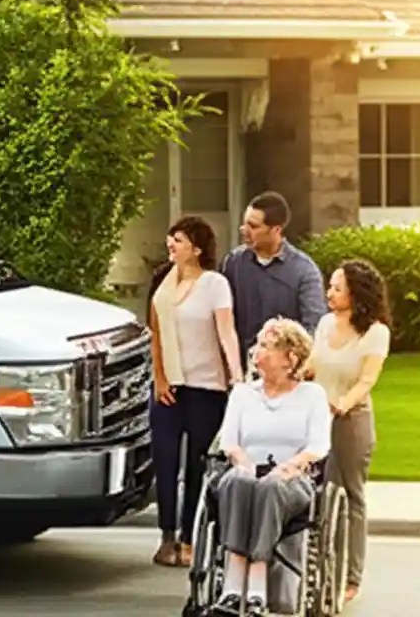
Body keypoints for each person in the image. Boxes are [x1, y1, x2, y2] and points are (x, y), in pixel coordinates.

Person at [212, 317, 331, 617]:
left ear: (289, 358)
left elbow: (318, 446)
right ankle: (233, 586)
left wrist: (289, 466)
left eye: (265, 346)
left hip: (293, 478)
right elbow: (229, 442)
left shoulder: (312, 396)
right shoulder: (242, 394)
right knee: (239, 482)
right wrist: (244, 464)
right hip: (246, 470)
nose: (255, 351)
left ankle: (256, 585)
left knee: (271, 486)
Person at [146, 216, 244, 568]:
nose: (171, 242)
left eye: (180, 239)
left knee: (196, 464)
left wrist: (237, 377)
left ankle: (189, 538)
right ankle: (167, 536)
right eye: (171, 236)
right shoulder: (162, 284)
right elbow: (155, 336)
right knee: (166, 460)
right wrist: (158, 378)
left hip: (206, 388)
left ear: (197, 249)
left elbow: (226, 333)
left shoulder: (215, 284)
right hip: (170, 387)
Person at [304, 259, 391, 605]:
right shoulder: (325, 324)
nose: (330, 292)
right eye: (331, 286)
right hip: (317, 419)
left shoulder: (375, 332)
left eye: (337, 288)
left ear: (356, 294)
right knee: (319, 492)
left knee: (350, 495)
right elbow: (312, 365)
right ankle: (321, 565)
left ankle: (351, 575)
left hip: (350, 420)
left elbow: (367, 380)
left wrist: (342, 403)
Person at [219, 191, 327, 368]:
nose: (244, 231)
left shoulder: (304, 271)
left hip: (284, 374)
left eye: (253, 226)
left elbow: (313, 328)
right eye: (244, 224)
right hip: (239, 372)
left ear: (276, 230)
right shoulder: (233, 263)